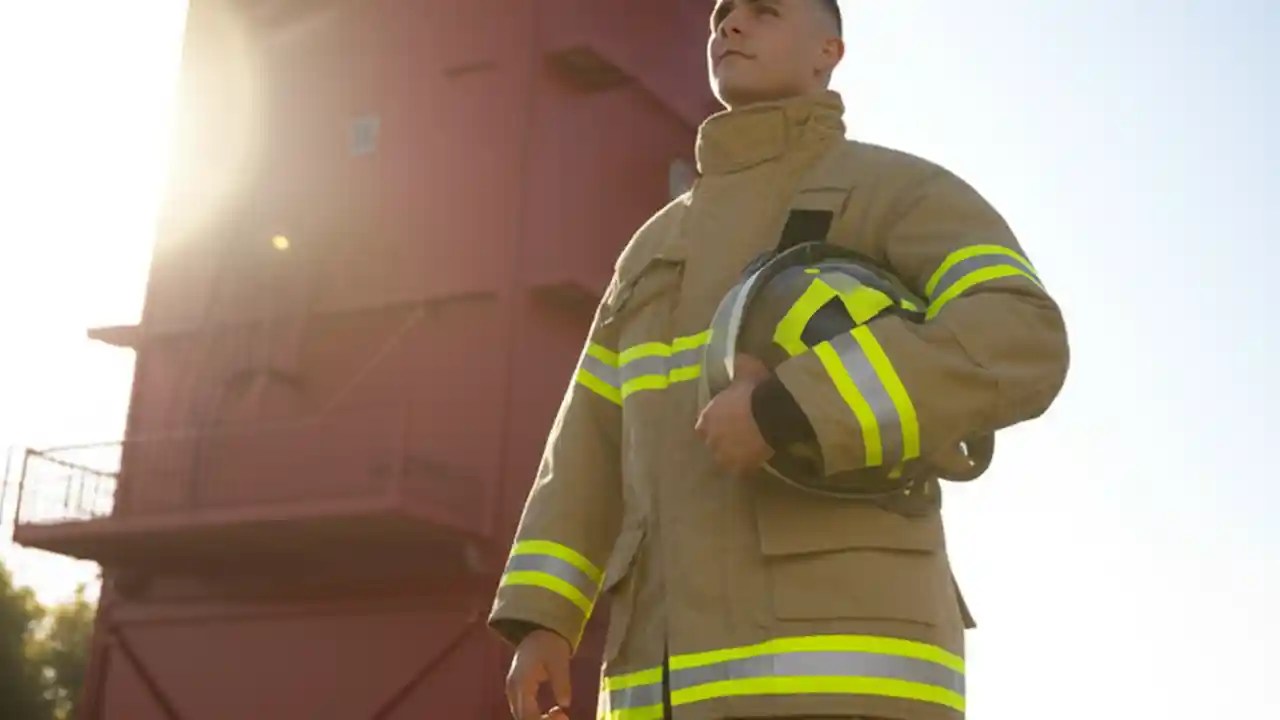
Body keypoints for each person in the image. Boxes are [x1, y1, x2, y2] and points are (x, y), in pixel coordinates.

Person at [488, 1, 1070, 718]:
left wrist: (790, 407)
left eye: (762, 11)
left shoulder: (896, 193)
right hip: (657, 690)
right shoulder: (650, 250)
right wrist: (544, 617)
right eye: (721, 16)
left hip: (844, 680)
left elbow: (1020, 335)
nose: (728, 26)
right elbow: (589, 438)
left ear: (830, 51)